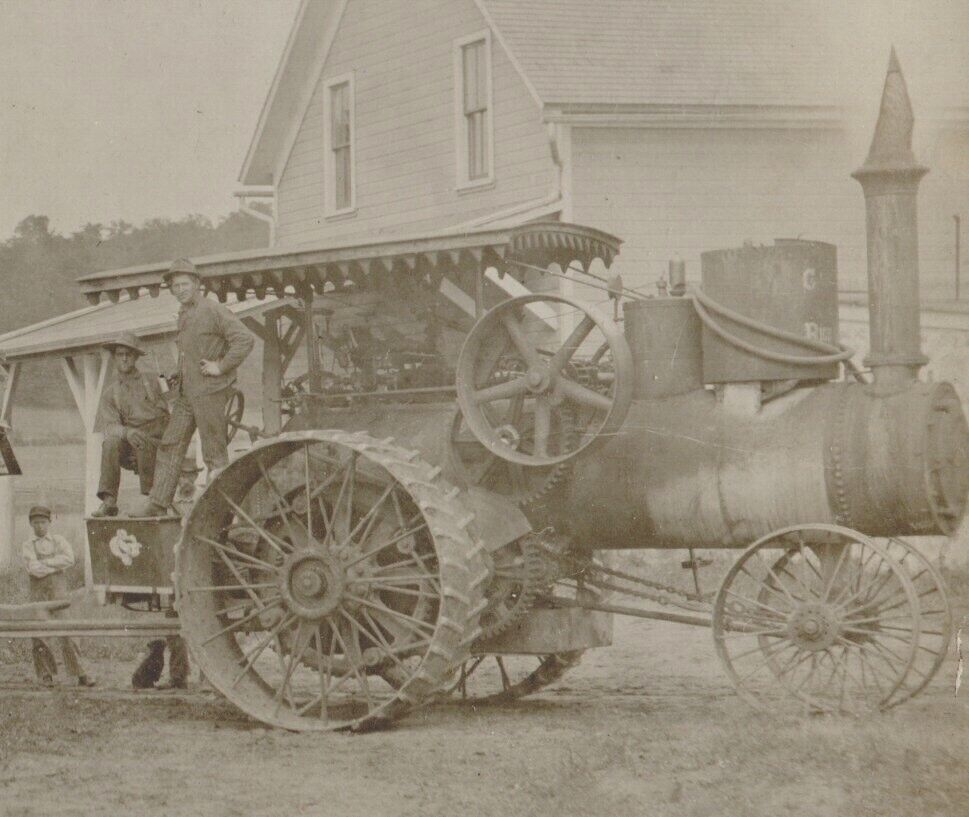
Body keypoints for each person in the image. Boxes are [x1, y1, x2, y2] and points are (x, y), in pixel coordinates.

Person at [130, 258, 254, 516]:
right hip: (188, 395)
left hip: (210, 392)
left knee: (214, 454)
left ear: (197, 284)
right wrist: (178, 372)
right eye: (175, 286)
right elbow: (192, 352)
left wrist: (220, 367)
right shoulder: (184, 315)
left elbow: (244, 339)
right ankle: (158, 502)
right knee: (170, 444)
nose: (180, 289)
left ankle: (220, 512)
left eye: (185, 284)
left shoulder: (213, 310)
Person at [92, 332, 170, 517]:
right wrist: (126, 432)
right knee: (110, 442)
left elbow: (174, 403)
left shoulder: (153, 380)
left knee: (141, 439)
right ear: (115, 357)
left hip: (160, 440)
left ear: (135, 357)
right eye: (120, 354)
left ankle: (151, 498)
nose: (124, 358)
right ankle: (109, 500)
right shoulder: (111, 393)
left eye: (128, 354)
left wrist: (171, 384)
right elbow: (110, 426)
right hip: (132, 444)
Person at [21, 505, 95, 688]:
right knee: (39, 633)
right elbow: (33, 569)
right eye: (36, 523)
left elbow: (69, 559)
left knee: (67, 630)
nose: (40, 526)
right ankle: (45, 675)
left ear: (49, 522)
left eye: (43, 522)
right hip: (38, 595)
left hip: (59, 593)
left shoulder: (59, 540)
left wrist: (44, 563)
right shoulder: (27, 545)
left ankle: (80, 673)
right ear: (31, 524)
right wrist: (55, 565)